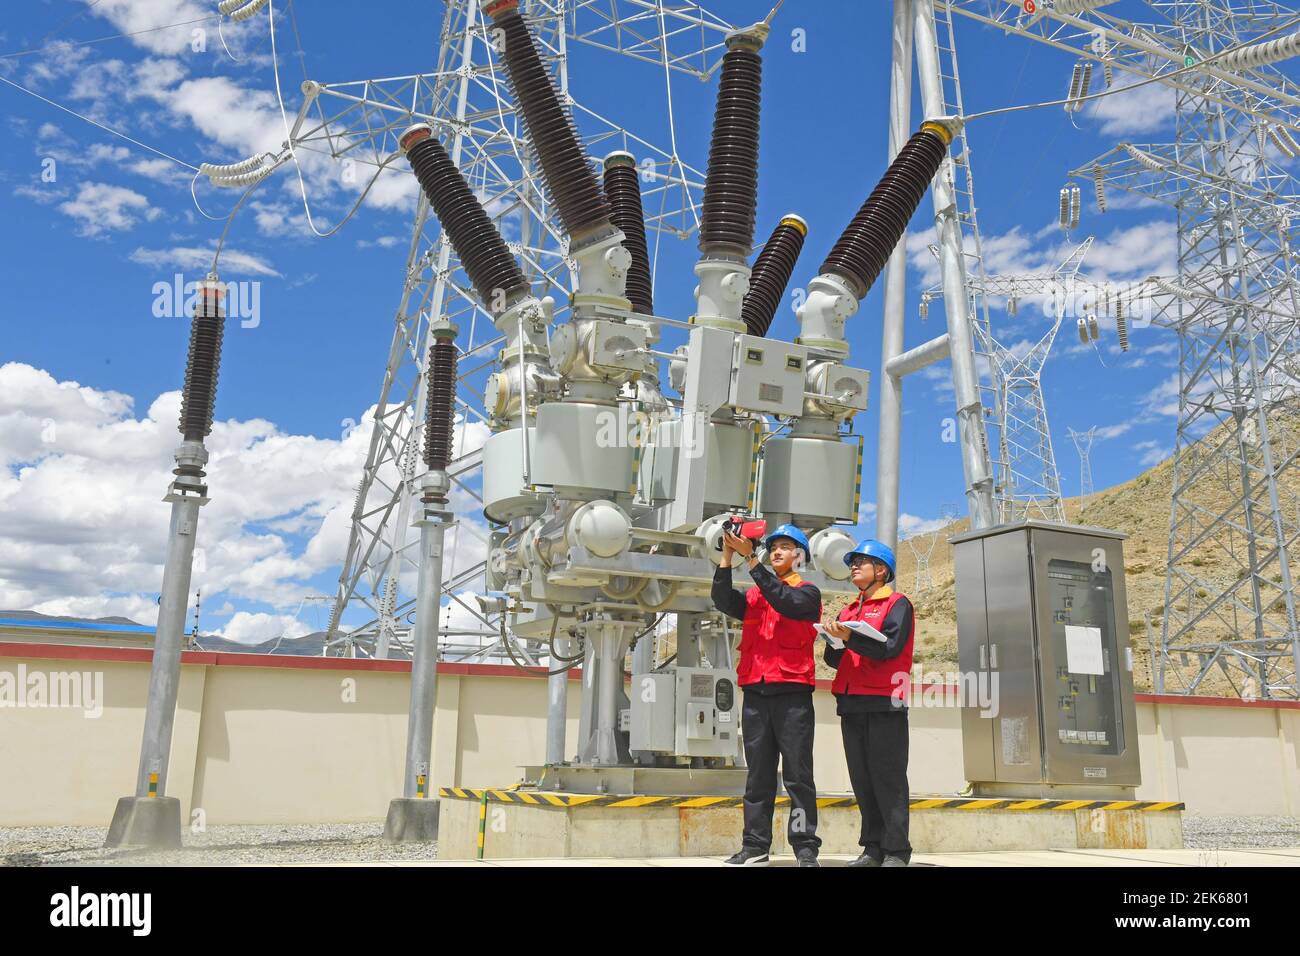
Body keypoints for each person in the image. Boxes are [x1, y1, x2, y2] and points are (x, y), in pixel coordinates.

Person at [711, 522, 822, 868]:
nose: (777, 552)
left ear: (799, 557)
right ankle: (755, 845)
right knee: (757, 773)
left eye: (786, 547)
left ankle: (805, 847)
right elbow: (723, 599)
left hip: (792, 695)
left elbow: (783, 599)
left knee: (797, 775)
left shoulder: (807, 593)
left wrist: (753, 562)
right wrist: (728, 558)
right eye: (773, 547)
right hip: (756, 692)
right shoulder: (757, 595)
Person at [822, 538, 915, 868]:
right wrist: (834, 640)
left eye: (861, 561)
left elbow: (888, 647)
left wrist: (851, 638)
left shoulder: (897, 604)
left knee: (888, 779)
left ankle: (896, 851)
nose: (853, 566)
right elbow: (836, 660)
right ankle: (873, 848)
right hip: (852, 702)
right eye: (853, 562)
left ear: (881, 570)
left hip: (883, 702)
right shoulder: (848, 610)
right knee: (862, 779)